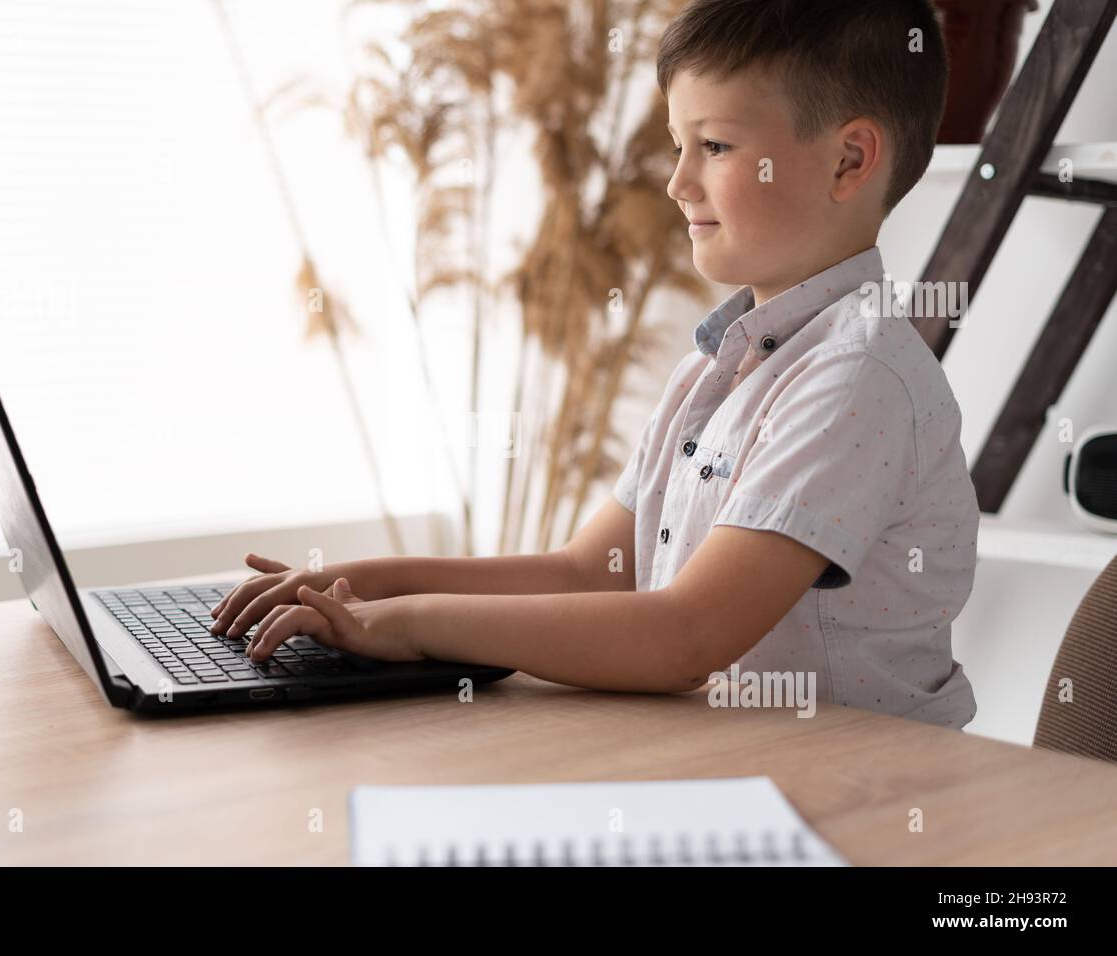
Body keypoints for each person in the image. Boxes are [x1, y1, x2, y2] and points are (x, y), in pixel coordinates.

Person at [209, 0, 978, 729]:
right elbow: (588, 570)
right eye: (679, 147)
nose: (678, 183)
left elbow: (688, 636)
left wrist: (405, 626)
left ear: (849, 160)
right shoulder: (712, 371)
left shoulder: (855, 378)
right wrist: (362, 586)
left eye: (714, 147)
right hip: (742, 770)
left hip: (866, 800)